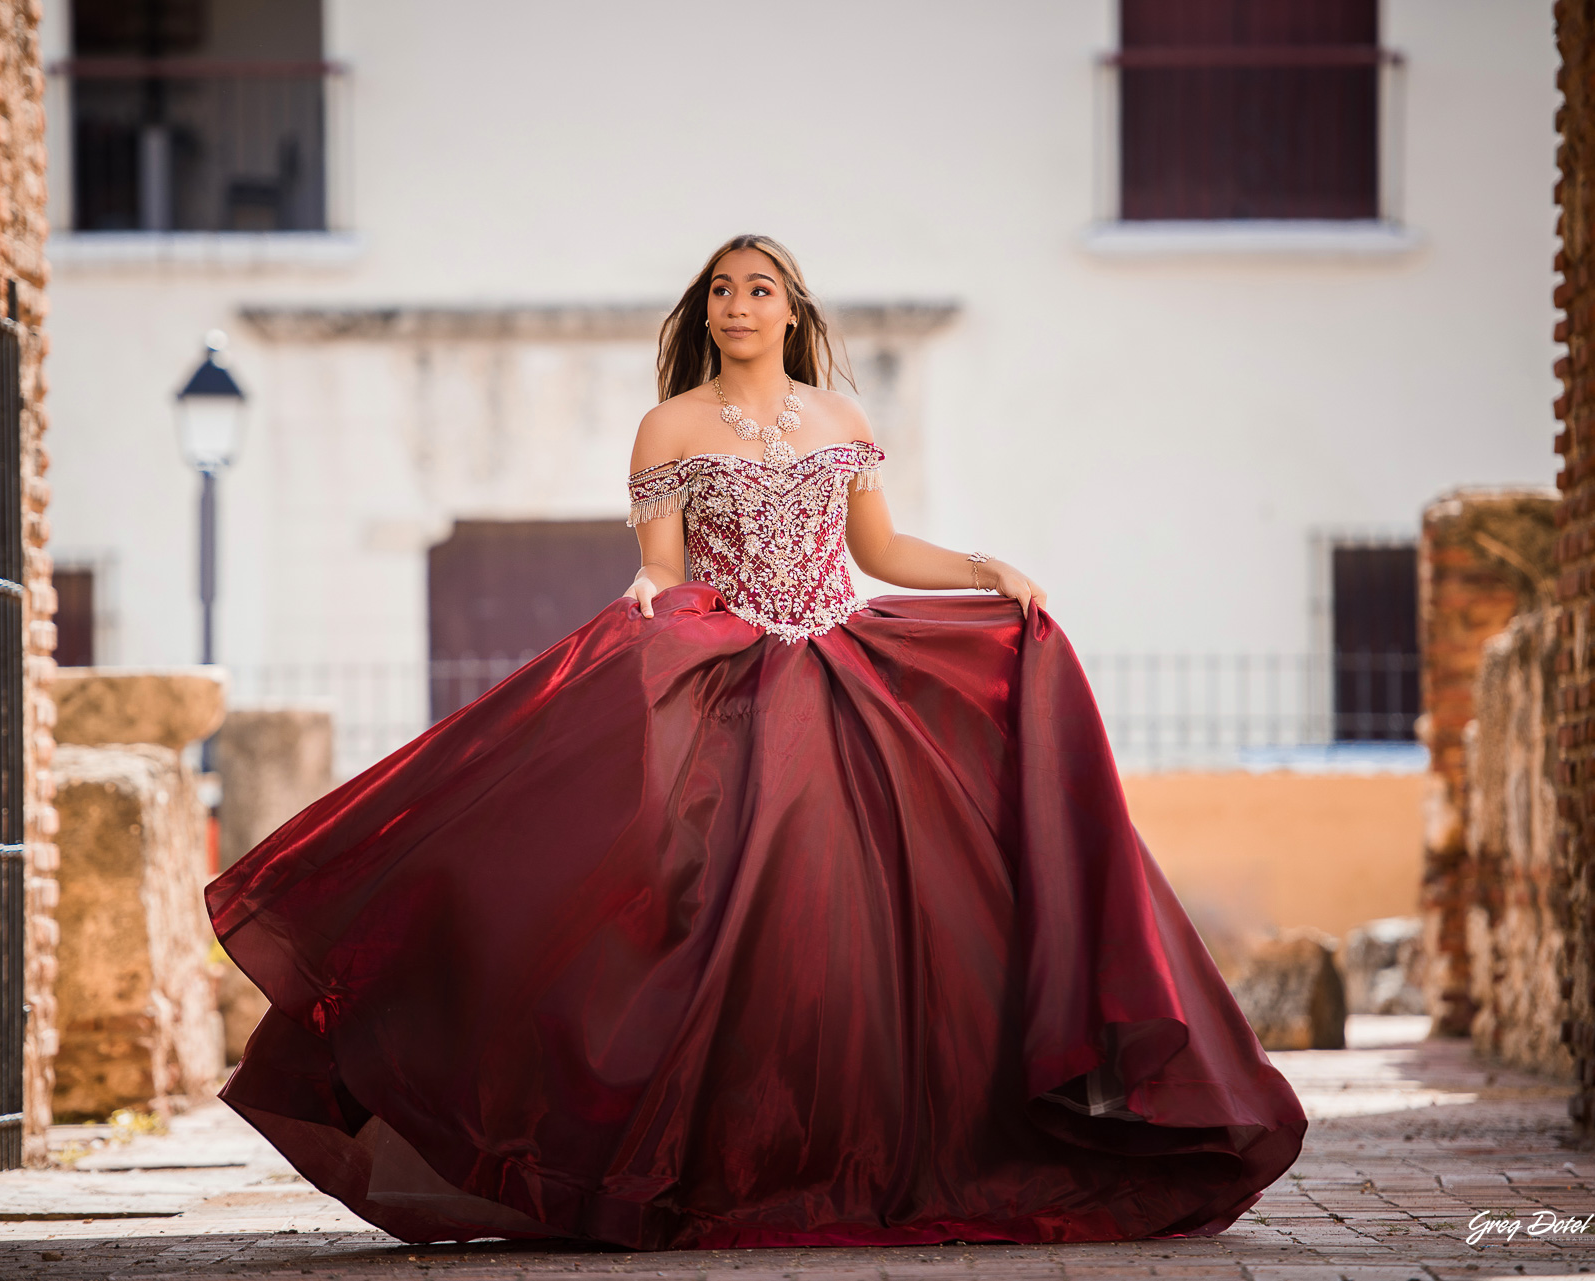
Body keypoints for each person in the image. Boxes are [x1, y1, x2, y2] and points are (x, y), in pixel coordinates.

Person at [209, 234, 1306, 1250]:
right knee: (707, 916)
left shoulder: (840, 419)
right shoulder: (671, 426)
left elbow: (876, 549)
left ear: (791, 311)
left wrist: (984, 570)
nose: (739, 304)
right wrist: (647, 595)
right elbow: (665, 566)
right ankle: (727, 1156)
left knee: (880, 920)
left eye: (759, 288)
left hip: (846, 676)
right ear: (708, 313)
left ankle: (874, 1141)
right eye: (723, 290)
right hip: (735, 681)